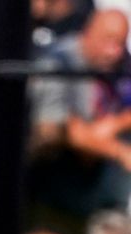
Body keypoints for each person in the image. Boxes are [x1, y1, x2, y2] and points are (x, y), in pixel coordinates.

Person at [28, 8, 131, 218]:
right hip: (51, 189)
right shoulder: (57, 62)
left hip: (101, 189)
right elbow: (58, 129)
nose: (114, 52)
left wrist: (115, 124)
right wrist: (120, 152)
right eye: (108, 40)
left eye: (120, 43)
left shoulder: (121, 62)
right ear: (88, 32)